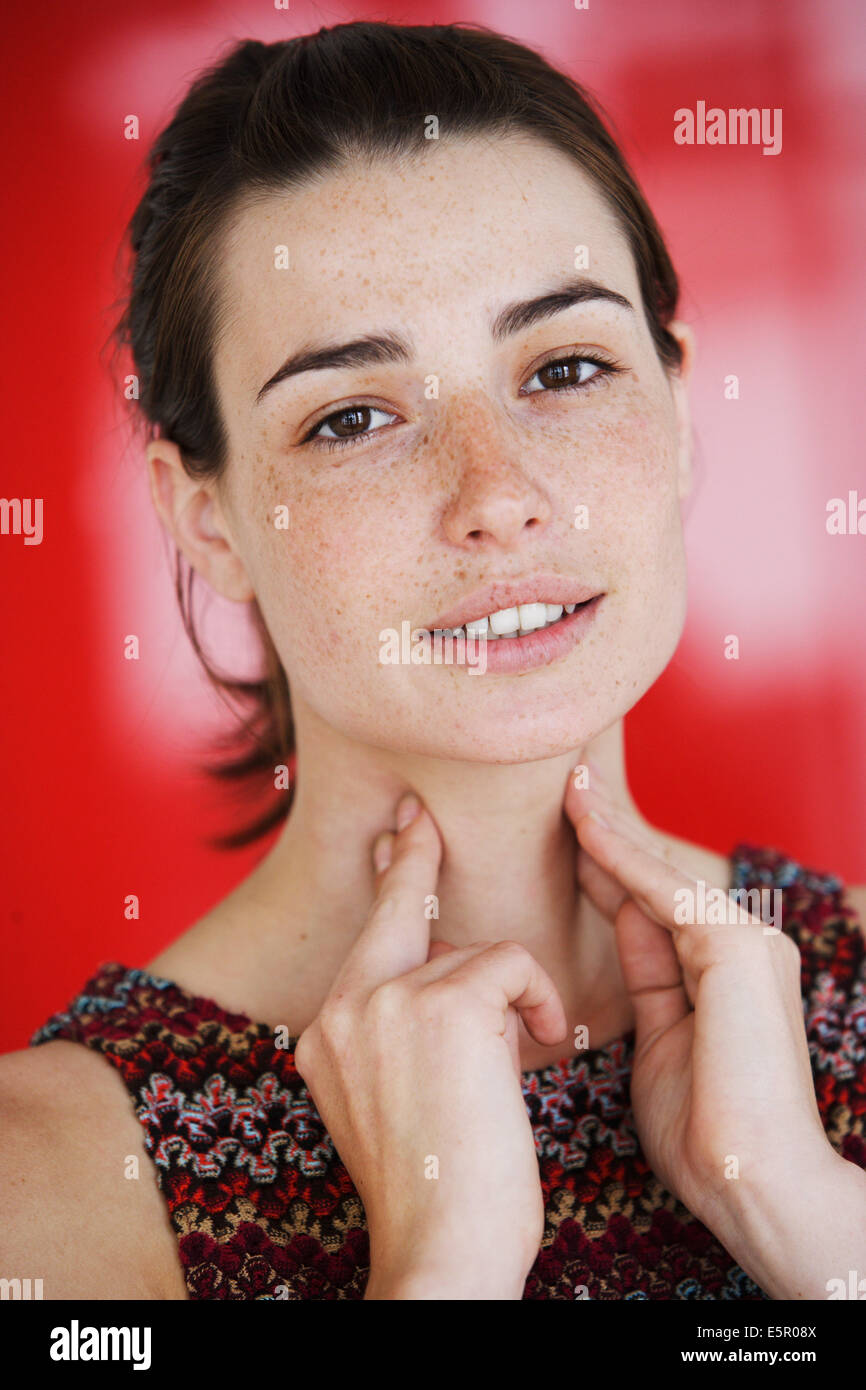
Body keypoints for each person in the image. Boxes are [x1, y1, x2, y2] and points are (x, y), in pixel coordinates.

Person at [2, 20, 865, 1301]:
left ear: (679, 415)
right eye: (353, 416)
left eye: (565, 366)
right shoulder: (44, 1185)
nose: (496, 495)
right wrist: (439, 1270)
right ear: (207, 518)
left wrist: (801, 1217)